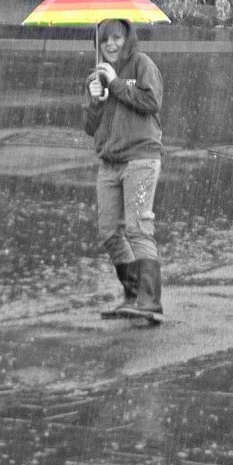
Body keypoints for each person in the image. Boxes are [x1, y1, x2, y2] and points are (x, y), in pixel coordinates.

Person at [83, 18, 164, 323]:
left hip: (141, 158)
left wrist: (116, 83)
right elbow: (91, 128)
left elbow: (152, 101)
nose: (111, 45)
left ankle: (150, 301)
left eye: (116, 38)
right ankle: (133, 296)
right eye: (104, 41)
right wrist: (94, 100)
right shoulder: (95, 76)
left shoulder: (142, 64)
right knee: (108, 232)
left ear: (127, 39)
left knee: (138, 227)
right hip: (109, 164)